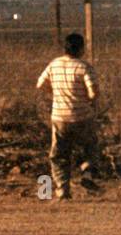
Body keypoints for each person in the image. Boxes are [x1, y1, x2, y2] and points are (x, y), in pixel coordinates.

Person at [36, 31, 101, 200]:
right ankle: (87, 174)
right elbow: (93, 92)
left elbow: (40, 84)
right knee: (90, 147)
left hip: (59, 117)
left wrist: (55, 93)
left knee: (59, 154)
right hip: (82, 116)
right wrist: (90, 101)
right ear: (81, 49)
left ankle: (62, 189)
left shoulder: (54, 64)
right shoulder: (84, 67)